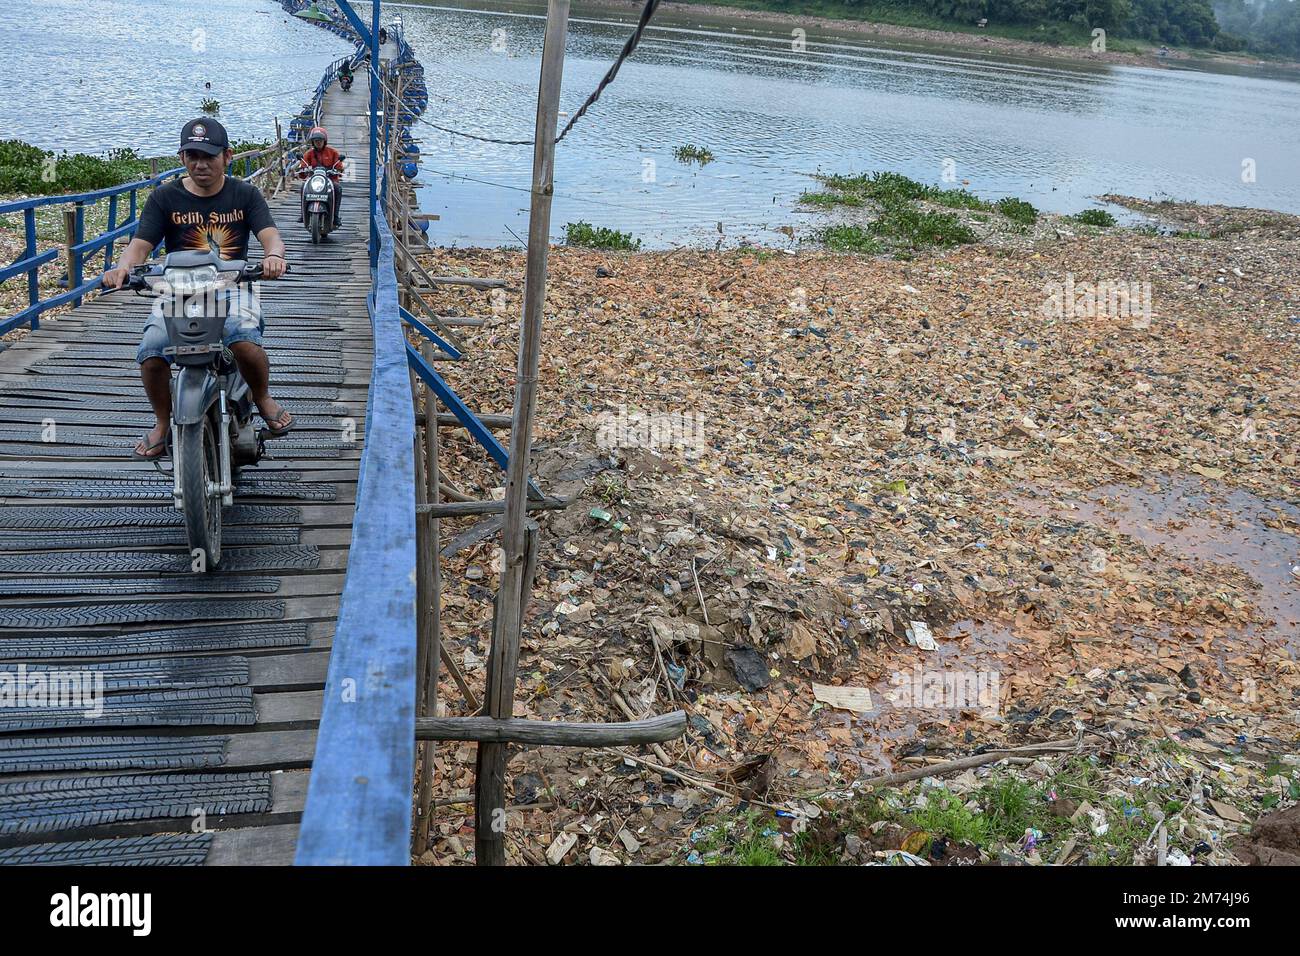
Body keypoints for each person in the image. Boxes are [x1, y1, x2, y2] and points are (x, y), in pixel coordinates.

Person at [102, 117, 293, 459]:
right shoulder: (164, 197)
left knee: (244, 341)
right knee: (151, 352)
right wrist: (122, 268)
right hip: (177, 292)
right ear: (182, 158)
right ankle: (162, 422)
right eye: (192, 156)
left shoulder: (245, 194)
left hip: (232, 287)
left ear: (227, 156)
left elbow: (269, 236)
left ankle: (262, 397)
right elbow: (140, 244)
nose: (200, 164)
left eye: (209, 156)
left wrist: (274, 257)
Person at [297, 126, 344, 228]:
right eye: (316, 140)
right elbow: (303, 165)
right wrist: (303, 170)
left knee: (338, 189)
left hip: (330, 180)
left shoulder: (333, 152)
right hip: (314, 180)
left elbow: (339, 166)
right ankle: (303, 213)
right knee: (303, 187)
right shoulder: (309, 153)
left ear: (324, 141)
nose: (318, 142)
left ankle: (335, 216)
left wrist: (337, 170)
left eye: (320, 140)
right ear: (313, 142)